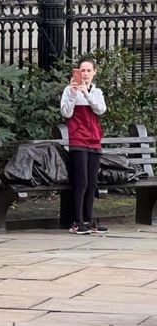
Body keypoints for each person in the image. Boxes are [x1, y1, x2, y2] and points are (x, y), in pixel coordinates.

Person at [60, 56, 107, 235]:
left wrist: (87, 93)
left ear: (94, 72)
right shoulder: (69, 90)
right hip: (78, 140)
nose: (85, 74)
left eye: (89, 70)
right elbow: (66, 113)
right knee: (82, 182)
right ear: (77, 72)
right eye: (82, 70)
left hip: (94, 141)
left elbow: (100, 110)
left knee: (92, 183)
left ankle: (88, 219)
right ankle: (77, 221)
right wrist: (74, 93)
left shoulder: (97, 92)